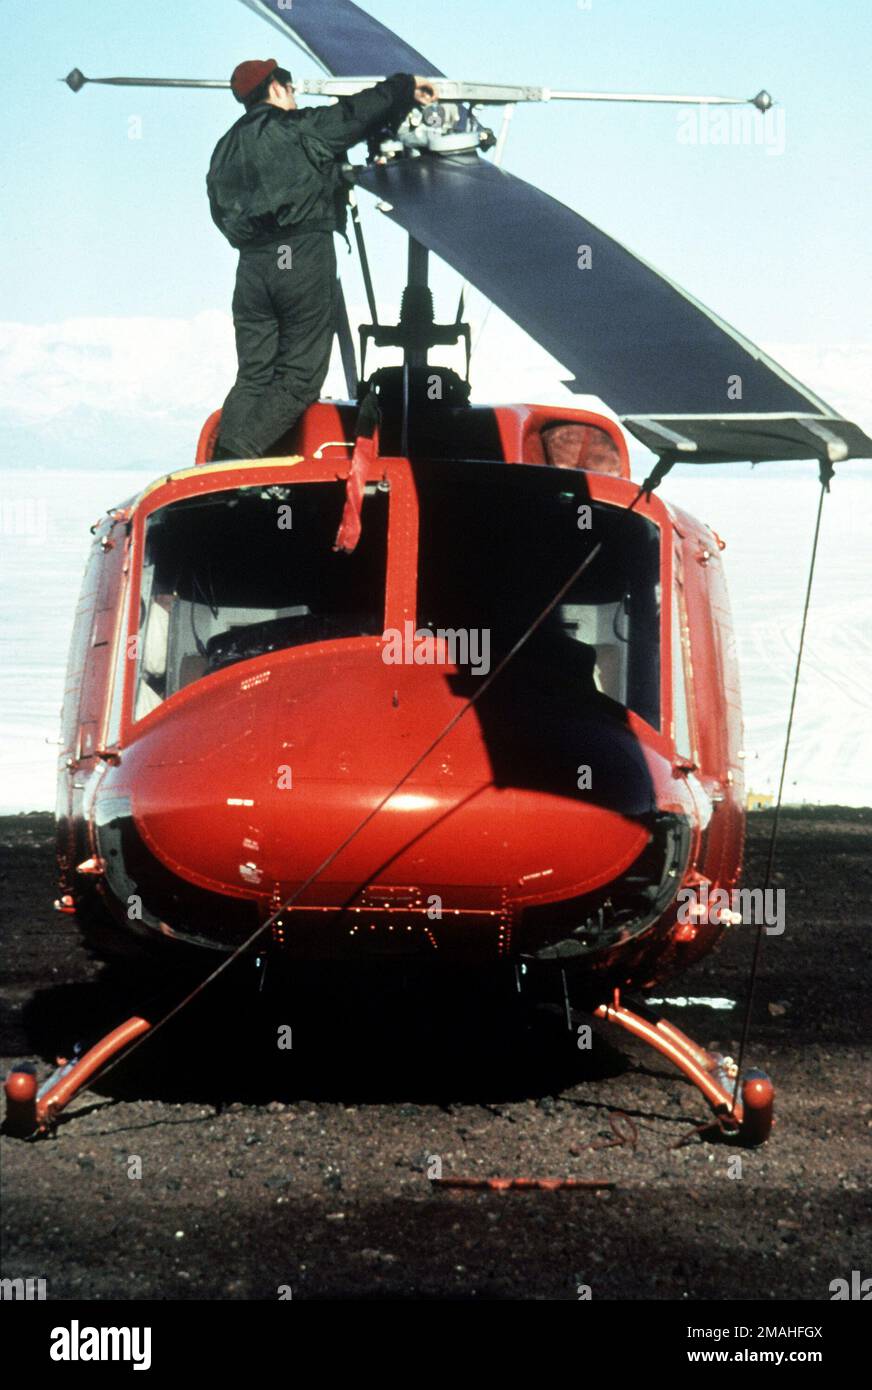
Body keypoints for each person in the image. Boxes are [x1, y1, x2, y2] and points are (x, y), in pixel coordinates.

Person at [207, 59, 436, 460]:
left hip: (252, 268)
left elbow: (219, 211)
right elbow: (356, 113)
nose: (294, 96)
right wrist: (404, 86)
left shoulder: (224, 149)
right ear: (276, 89)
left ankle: (218, 472)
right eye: (291, 88)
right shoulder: (300, 130)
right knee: (300, 377)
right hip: (299, 257)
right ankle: (237, 457)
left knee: (255, 375)